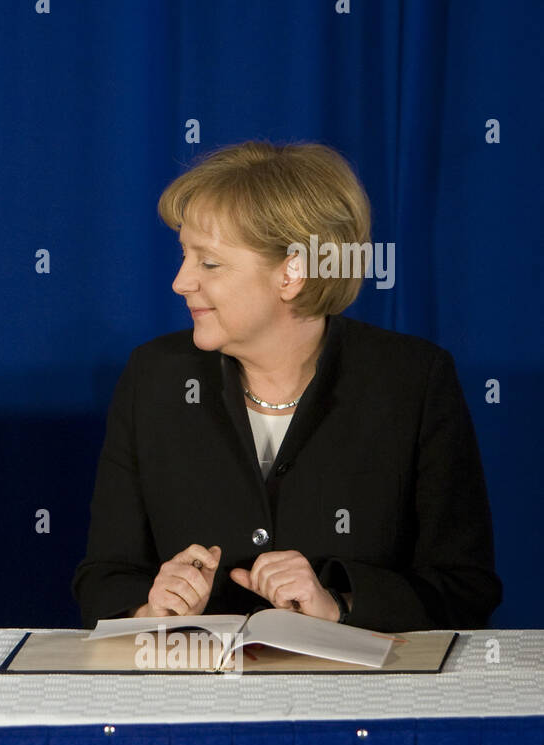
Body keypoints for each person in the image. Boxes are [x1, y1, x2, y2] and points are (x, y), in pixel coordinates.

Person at [72, 142, 501, 632]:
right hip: (199, 698)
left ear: (292, 273)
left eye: (208, 263)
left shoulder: (413, 380)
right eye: (184, 256)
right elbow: (102, 577)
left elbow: (466, 588)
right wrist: (152, 610)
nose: (180, 281)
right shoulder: (153, 378)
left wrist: (338, 604)